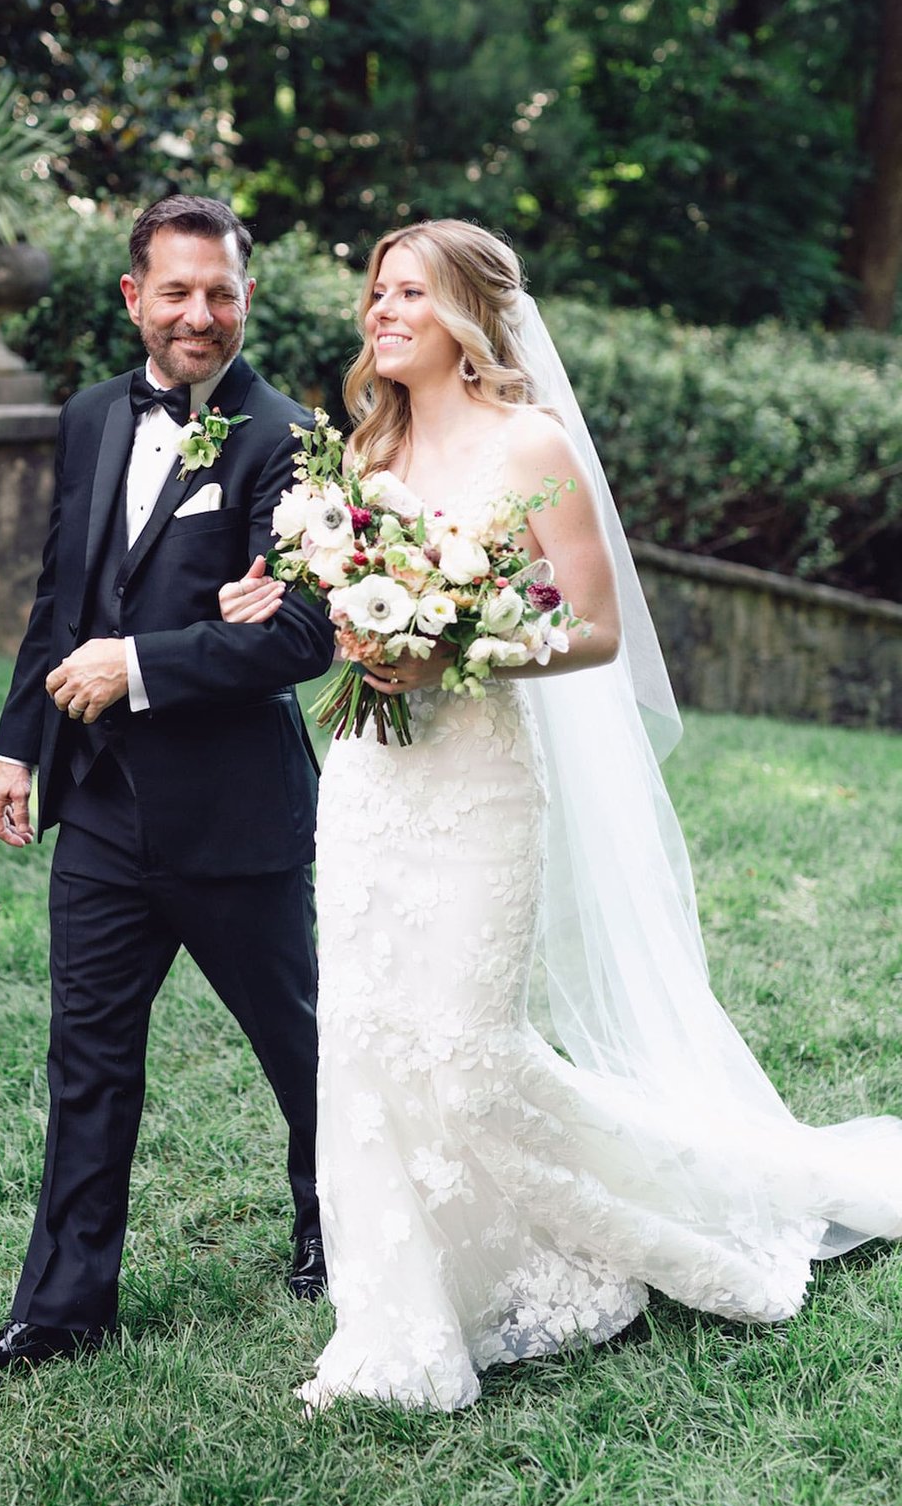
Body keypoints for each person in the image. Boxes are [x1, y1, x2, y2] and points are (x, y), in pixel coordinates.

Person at [218, 218, 902, 1411]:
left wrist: (454, 643)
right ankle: (401, 1323)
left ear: (468, 315)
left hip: (478, 776)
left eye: (408, 294)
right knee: (370, 1044)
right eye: (374, 291)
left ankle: (658, 1225)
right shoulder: (364, 451)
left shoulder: (528, 441)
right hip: (374, 783)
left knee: (468, 1055)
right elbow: (331, 608)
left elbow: (592, 624)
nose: (379, 311)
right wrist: (287, 604)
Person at [0, 195, 334, 1378]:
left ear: (245, 299)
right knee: (87, 1058)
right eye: (177, 291)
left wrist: (139, 665)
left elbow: (300, 635)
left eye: (220, 293)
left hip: (236, 813)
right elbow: (62, 598)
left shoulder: (290, 438)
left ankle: (331, 1217)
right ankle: (60, 1309)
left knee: (298, 1045)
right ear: (133, 298)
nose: (199, 314)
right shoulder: (92, 416)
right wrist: (20, 744)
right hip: (99, 803)